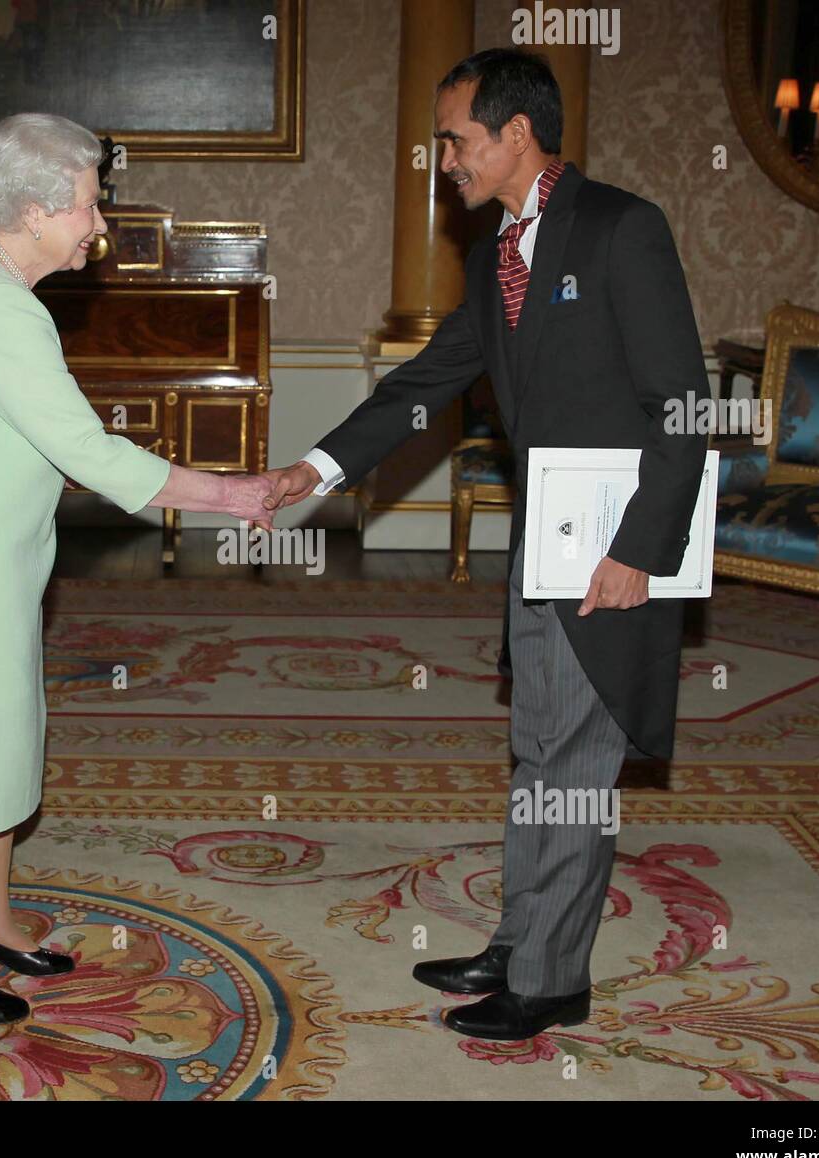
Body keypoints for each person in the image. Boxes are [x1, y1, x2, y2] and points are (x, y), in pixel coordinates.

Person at [263, 48, 709, 1042]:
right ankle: (521, 941)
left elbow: (684, 404)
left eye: (454, 140)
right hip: (543, 545)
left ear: (516, 134)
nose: (443, 161)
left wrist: (638, 551)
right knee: (538, 751)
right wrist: (316, 471)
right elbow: (428, 381)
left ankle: (553, 981)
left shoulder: (621, 230)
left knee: (577, 763)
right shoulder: (492, 256)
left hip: (614, 547)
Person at [0, 112, 275, 1026]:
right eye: (87, 205)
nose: (99, 225)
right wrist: (233, 496)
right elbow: (94, 455)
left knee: (1, 732)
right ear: (34, 212)